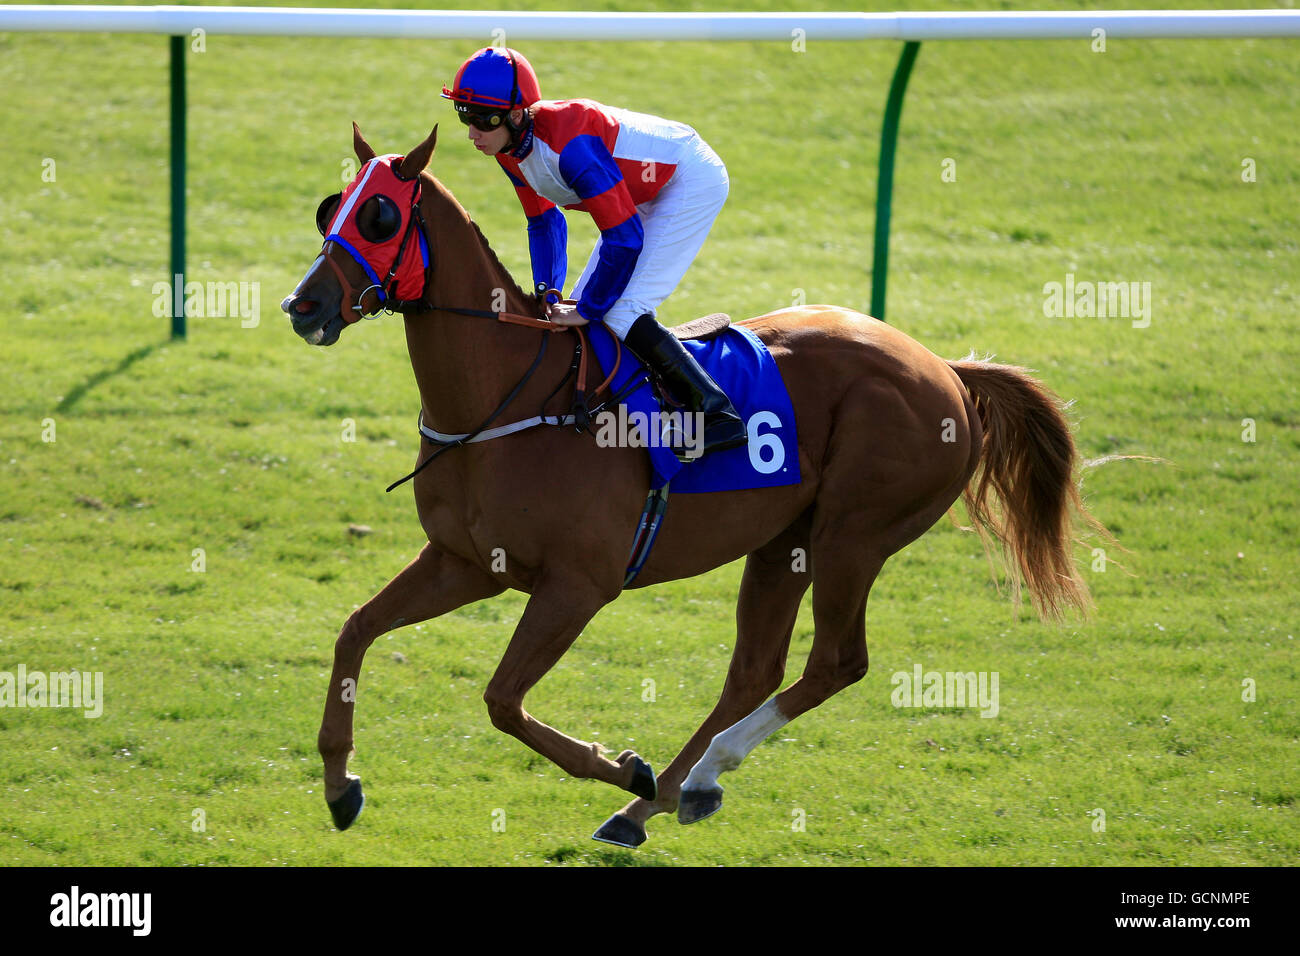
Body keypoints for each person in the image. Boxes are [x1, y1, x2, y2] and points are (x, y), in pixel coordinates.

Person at [441, 46, 747, 461]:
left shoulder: (572, 146)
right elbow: (545, 222)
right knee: (581, 319)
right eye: (464, 116)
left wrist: (590, 305)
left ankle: (716, 414)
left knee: (618, 311)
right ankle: (618, 415)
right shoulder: (510, 149)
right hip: (638, 193)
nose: (471, 133)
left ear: (515, 115)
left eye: (479, 119)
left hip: (689, 181)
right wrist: (548, 291)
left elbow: (624, 237)